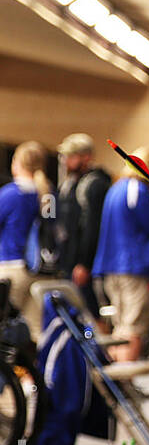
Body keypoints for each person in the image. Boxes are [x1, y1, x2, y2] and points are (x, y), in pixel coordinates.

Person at [92, 148, 149, 362]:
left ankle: (119, 385)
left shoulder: (116, 187)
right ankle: (124, 386)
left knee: (121, 328)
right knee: (134, 328)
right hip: (135, 268)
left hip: (112, 268)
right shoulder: (138, 189)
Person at [54, 133, 111, 315]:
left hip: (86, 265)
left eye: (72, 156)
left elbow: (93, 227)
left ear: (86, 157)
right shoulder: (69, 185)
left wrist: (85, 264)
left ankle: (97, 343)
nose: (66, 162)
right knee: (75, 312)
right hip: (69, 262)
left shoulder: (95, 184)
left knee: (91, 312)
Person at [0, 142, 52, 333]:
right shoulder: (48, 194)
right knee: (36, 328)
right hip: (39, 268)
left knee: (4, 323)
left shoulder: (11, 193)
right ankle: (41, 362)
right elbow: (53, 225)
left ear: (17, 163)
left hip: (12, 267)